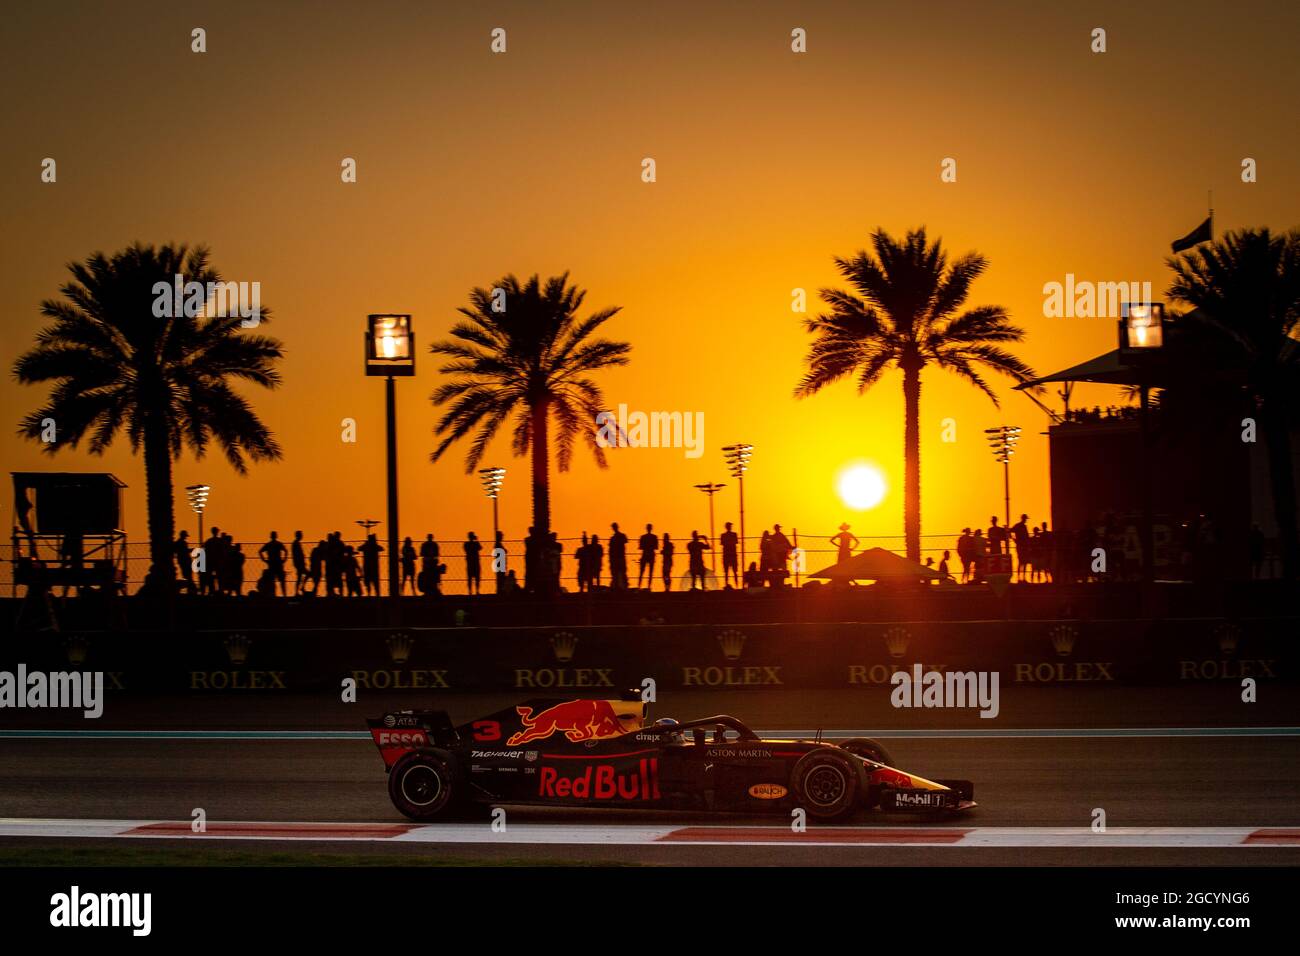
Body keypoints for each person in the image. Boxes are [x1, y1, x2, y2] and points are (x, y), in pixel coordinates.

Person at [259, 531, 288, 597]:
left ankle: (274, 595)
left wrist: (264, 560)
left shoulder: (269, 544)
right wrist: (284, 559)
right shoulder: (278, 544)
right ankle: (284, 595)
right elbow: (286, 551)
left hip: (272, 564)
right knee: (281, 581)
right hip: (277, 563)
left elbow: (260, 551)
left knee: (272, 581)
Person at [637, 524, 658, 589]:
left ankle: (639, 586)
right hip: (651, 555)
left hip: (645, 554)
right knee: (650, 572)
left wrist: (646, 546)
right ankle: (648, 586)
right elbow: (656, 547)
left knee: (642, 571)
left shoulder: (643, 537)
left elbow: (640, 547)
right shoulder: (654, 537)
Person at [608, 523, 628, 590]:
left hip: (618, 557)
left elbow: (610, 549)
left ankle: (619, 586)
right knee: (619, 572)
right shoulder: (621, 536)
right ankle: (621, 586)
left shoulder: (614, 538)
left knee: (618, 572)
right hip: (619, 557)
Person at [1011, 514, 1030, 582]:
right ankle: (1020, 578)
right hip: (1021, 546)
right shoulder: (1019, 526)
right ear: (1023, 519)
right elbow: (1010, 531)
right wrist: (1015, 540)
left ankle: (1022, 578)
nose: (1026, 520)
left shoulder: (1021, 526)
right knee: (1022, 562)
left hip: (1022, 546)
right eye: (1025, 519)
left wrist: (1014, 540)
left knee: (1023, 562)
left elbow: (1010, 531)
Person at [720, 522, 739, 588]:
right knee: (729, 572)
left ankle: (735, 585)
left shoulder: (724, 535)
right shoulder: (733, 535)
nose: (730, 527)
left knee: (732, 572)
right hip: (730, 555)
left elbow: (723, 543)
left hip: (729, 555)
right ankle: (734, 585)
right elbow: (734, 542)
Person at [291, 530, 307, 595]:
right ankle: (300, 589)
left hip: (299, 563)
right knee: (306, 574)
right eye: (301, 535)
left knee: (300, 577)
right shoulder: (296, 543)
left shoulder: (296, 543)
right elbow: (297, 554)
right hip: (299, 563)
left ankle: (298, 590)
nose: (302, 536)